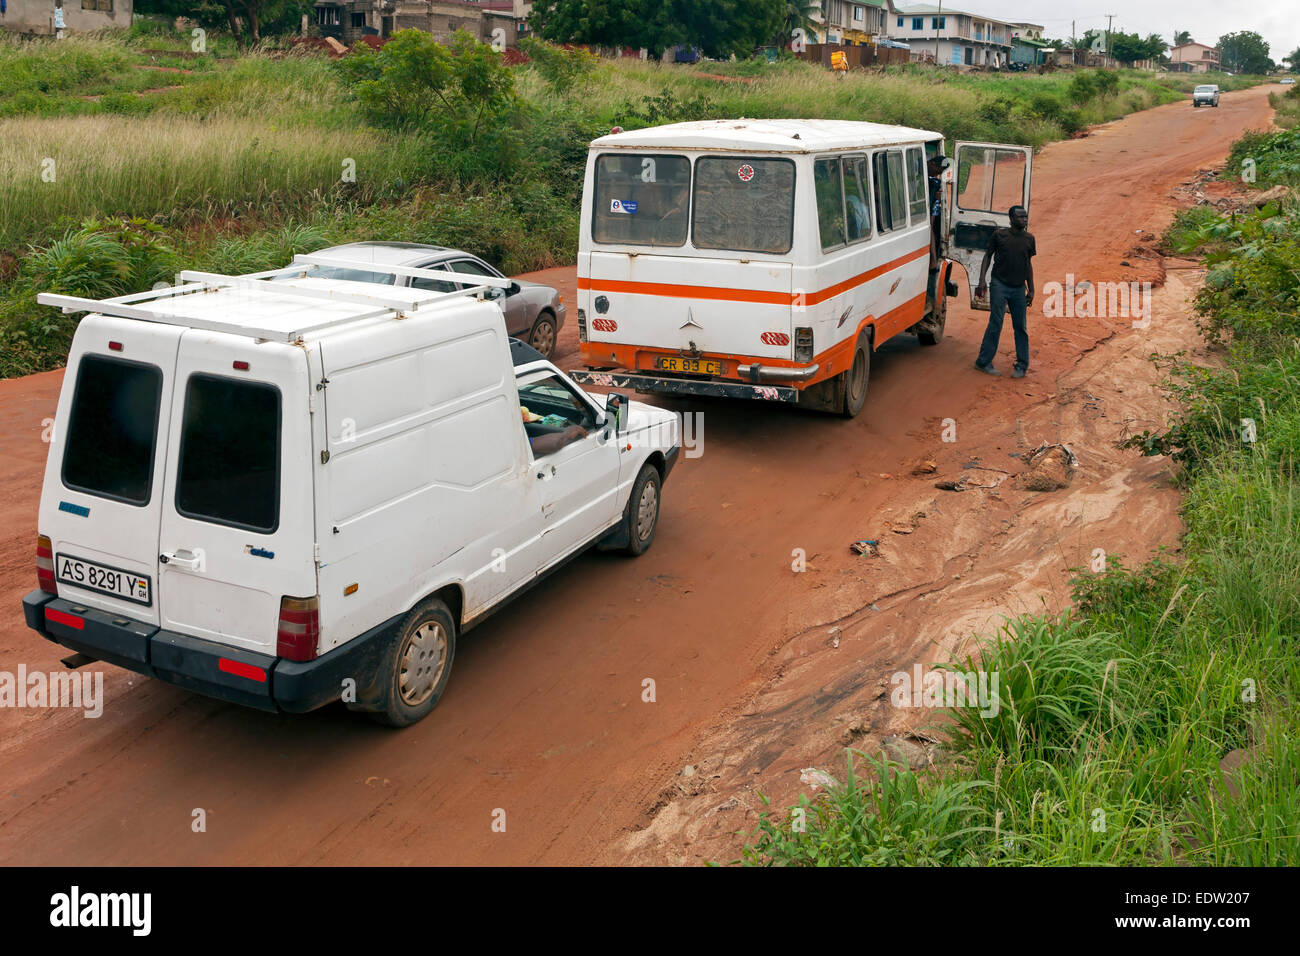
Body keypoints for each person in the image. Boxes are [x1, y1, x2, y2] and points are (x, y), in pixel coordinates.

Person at [974, 205, 1035, 378]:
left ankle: (1022, 365)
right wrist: (981, 281)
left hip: (1018, 288)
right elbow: (988, 256)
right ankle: (983, 362)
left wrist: (1031, 289)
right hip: (999, 284)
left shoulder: (1030, 239)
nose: (1024, 219)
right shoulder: (999, 235)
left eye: (1025, 217)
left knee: (1020, 327)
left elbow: (1028, 264)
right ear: (1011, 219)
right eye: (1020, 217)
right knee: (996, 322)